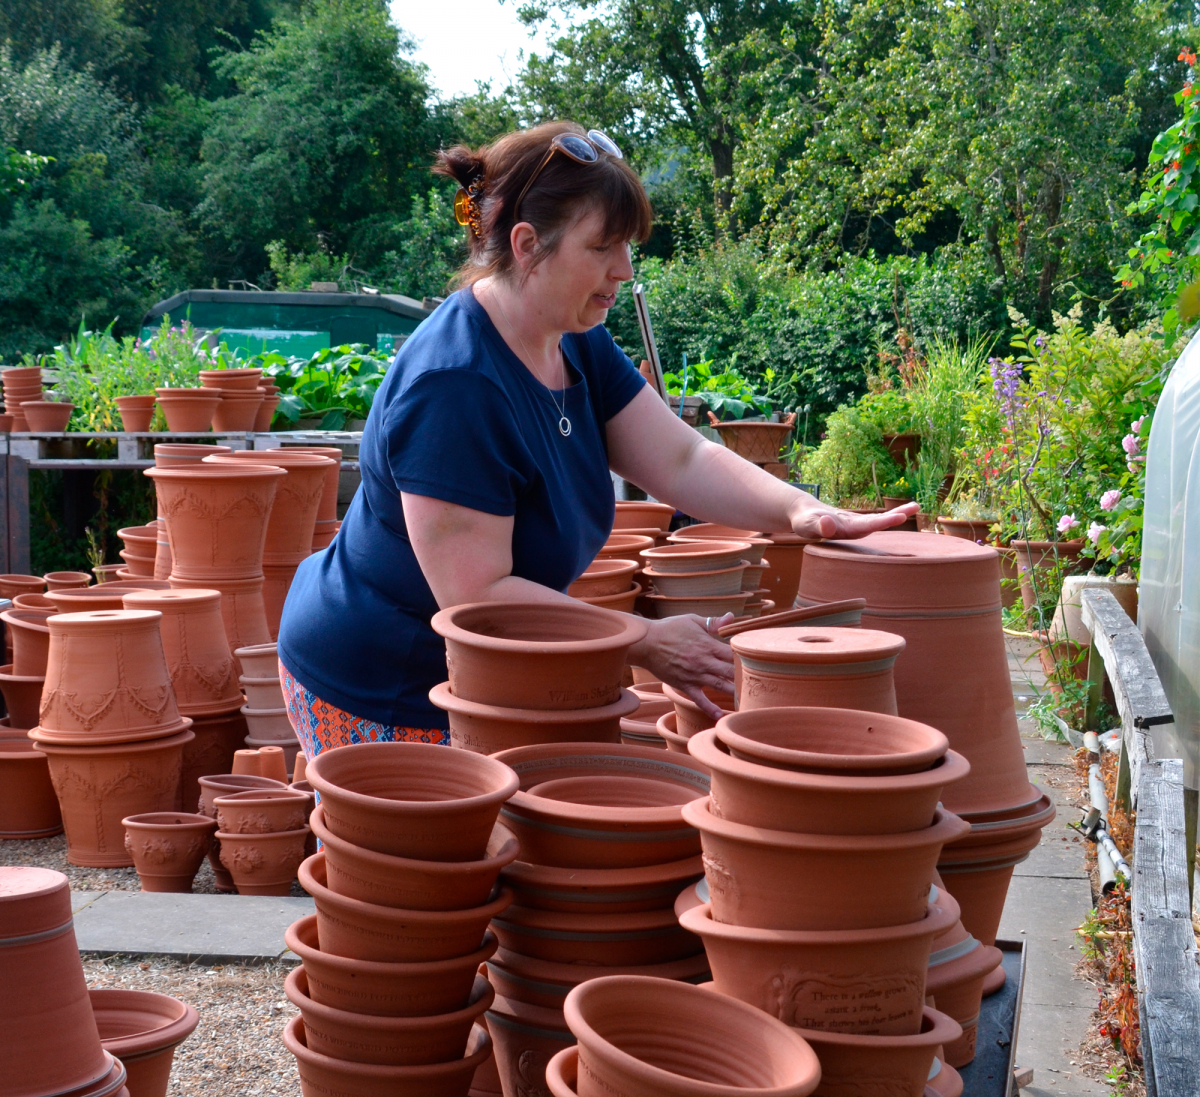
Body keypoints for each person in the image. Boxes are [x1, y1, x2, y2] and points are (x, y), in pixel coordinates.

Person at [277, 121, 915, 760]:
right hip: (379, 681)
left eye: (628, 245)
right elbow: (478, 596)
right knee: (443, 856)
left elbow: (682, 456)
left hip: (489, 674)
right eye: (604, 246)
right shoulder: (454, 386)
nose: (624, 269)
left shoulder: (575, 337)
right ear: (528, 245)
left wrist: (803, 511)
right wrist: (643, 639)